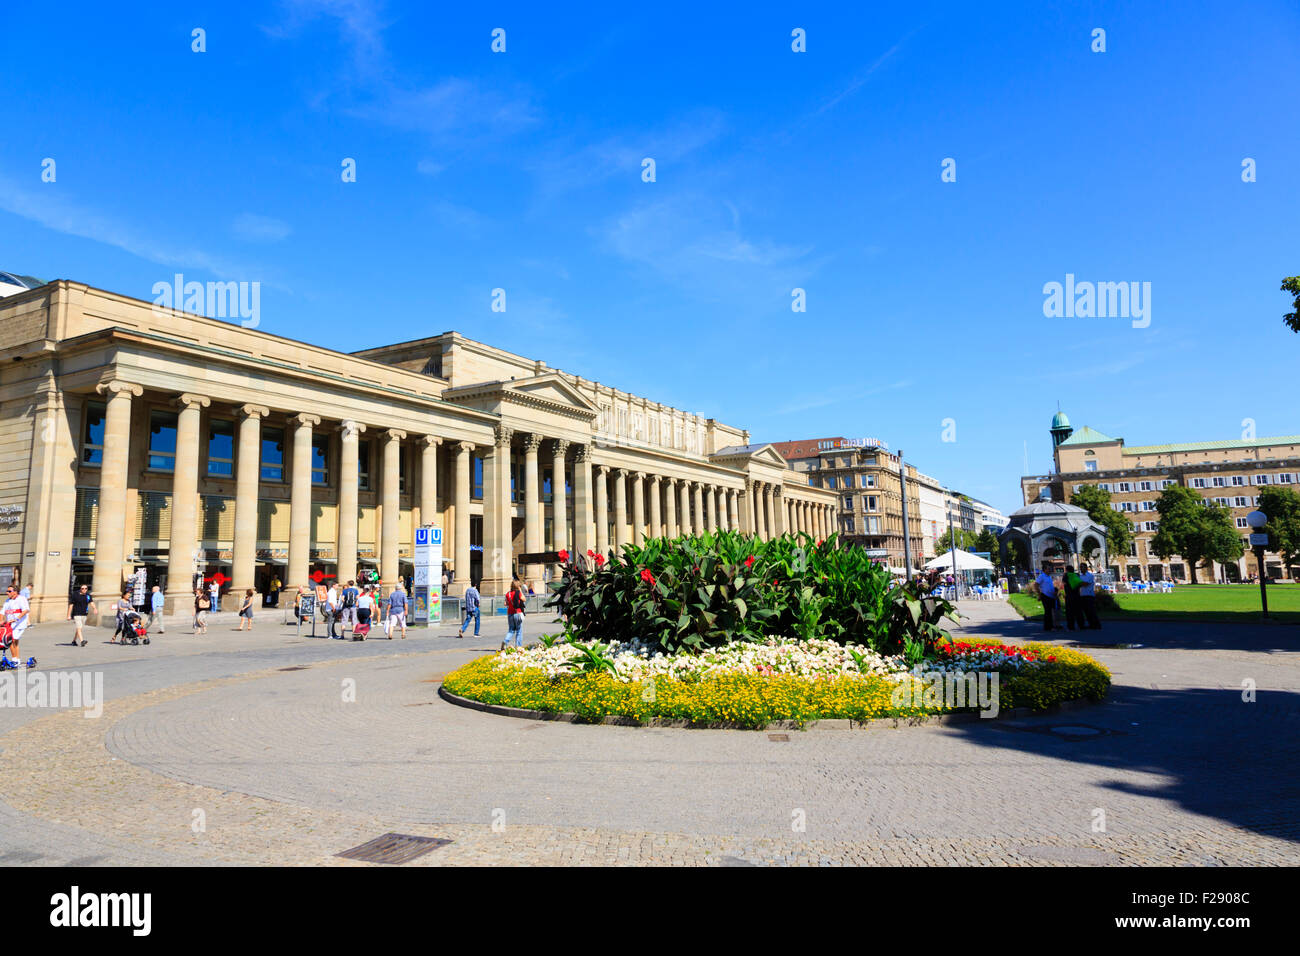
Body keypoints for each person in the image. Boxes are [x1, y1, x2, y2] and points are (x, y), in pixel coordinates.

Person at [3, 584, 29, 664]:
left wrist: (16, 619)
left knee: (11, 640)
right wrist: (1, 620)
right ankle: (17, 659)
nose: (7, 592)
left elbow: (26, 610)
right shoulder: (7, 601)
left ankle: (14, 659)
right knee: (14, 642)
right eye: (7, 591)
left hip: (20, 624)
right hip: (10, 625)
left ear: (15, 592)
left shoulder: (21, 599)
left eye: (9, 591)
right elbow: (2, 612)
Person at [503, 579, 526, 650]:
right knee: (519, 630)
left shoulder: (508, 594)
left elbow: (505, 603)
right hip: (517, 613)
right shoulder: (518, 593)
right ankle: (518, 646)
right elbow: (524, 599)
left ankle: (505, 641)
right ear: (518, 586)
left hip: (510, 613)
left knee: (511, 630)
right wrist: (520, 590)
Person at [1034, 563, 1058, 632]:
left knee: (1051, 611)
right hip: (1045, 595)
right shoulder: (1042, 576)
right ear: (1044, 570)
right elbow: (1036, 584)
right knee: (1048, 611)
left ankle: (1051, 625)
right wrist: (1039, 594)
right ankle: (1048, 627)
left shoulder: (1049, 577)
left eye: (1050, 568)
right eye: (1048, 568)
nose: (1049, 570)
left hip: (1051, 596)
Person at [1063, 565, 1085, 631]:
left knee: (1070, 612)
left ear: (1067, 570)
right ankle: (1081, 625)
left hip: (1069, 596)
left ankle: (1071, 626)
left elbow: (1064, 584)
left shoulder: (1066, 575)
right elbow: (1080, 584)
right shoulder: (1077, 575)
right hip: (1077, 595)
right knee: (1079, 611)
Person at [1080, 562, 1101, 630]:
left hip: (1089, 595)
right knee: (1086, 611)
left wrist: (1079, 583)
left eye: (1082, 567)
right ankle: (1091, 624)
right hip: (1083, 594)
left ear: (1086, 568)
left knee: (1091, 611)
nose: (1081, 568)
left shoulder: (1090, 575)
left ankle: (1096, 624)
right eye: (1080, 567)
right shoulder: (1080, 576)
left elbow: (1086, 584)